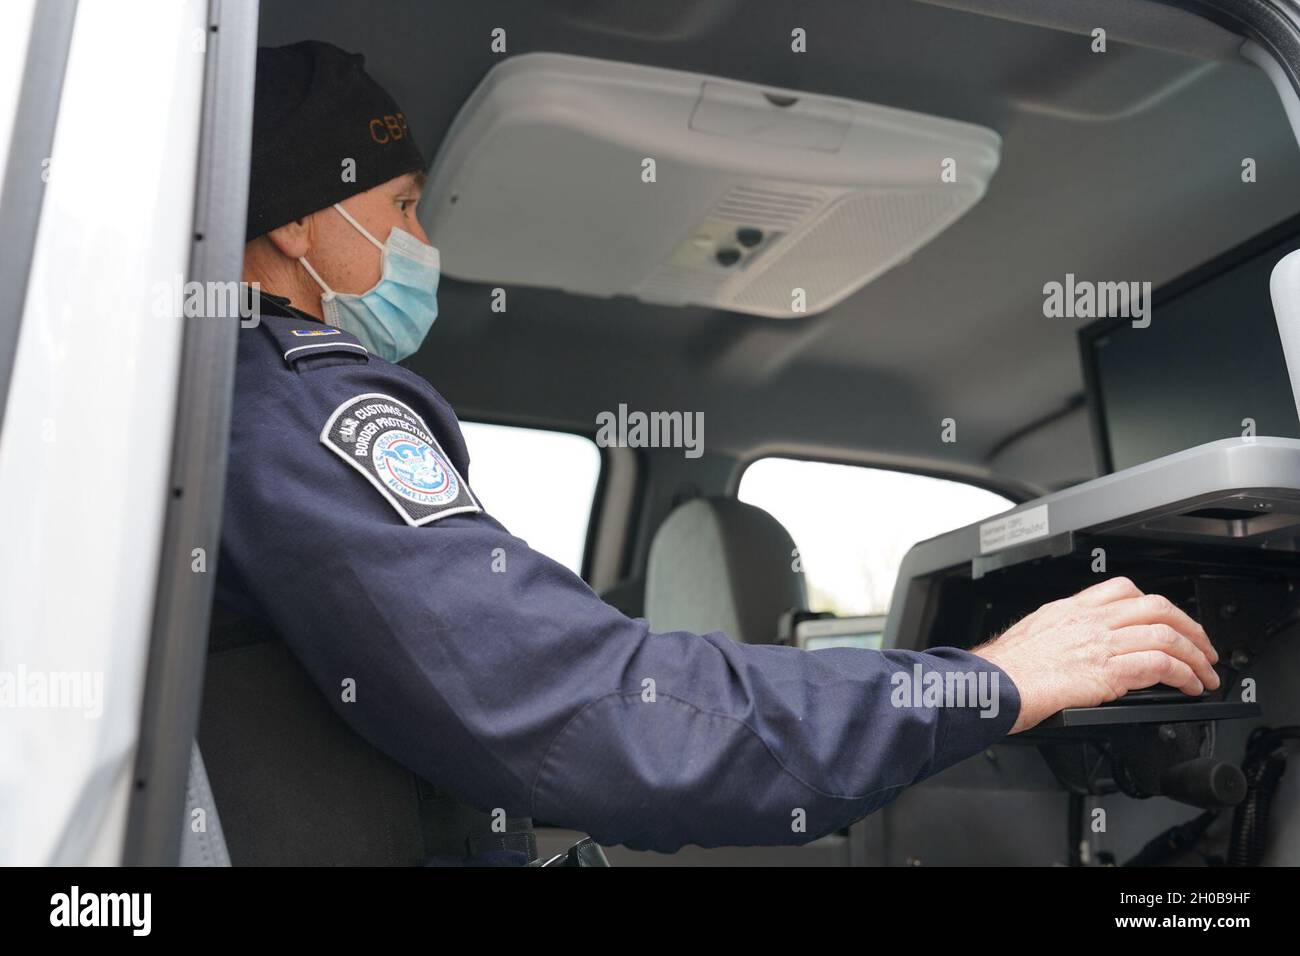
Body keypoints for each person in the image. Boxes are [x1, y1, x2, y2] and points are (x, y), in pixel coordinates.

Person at [217, 40, 1220, 857]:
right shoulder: (299, 403)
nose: (424, 236)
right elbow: (600, 712)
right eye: (401, 205)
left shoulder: (255, 398)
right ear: (302, 224)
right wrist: (991, 677)